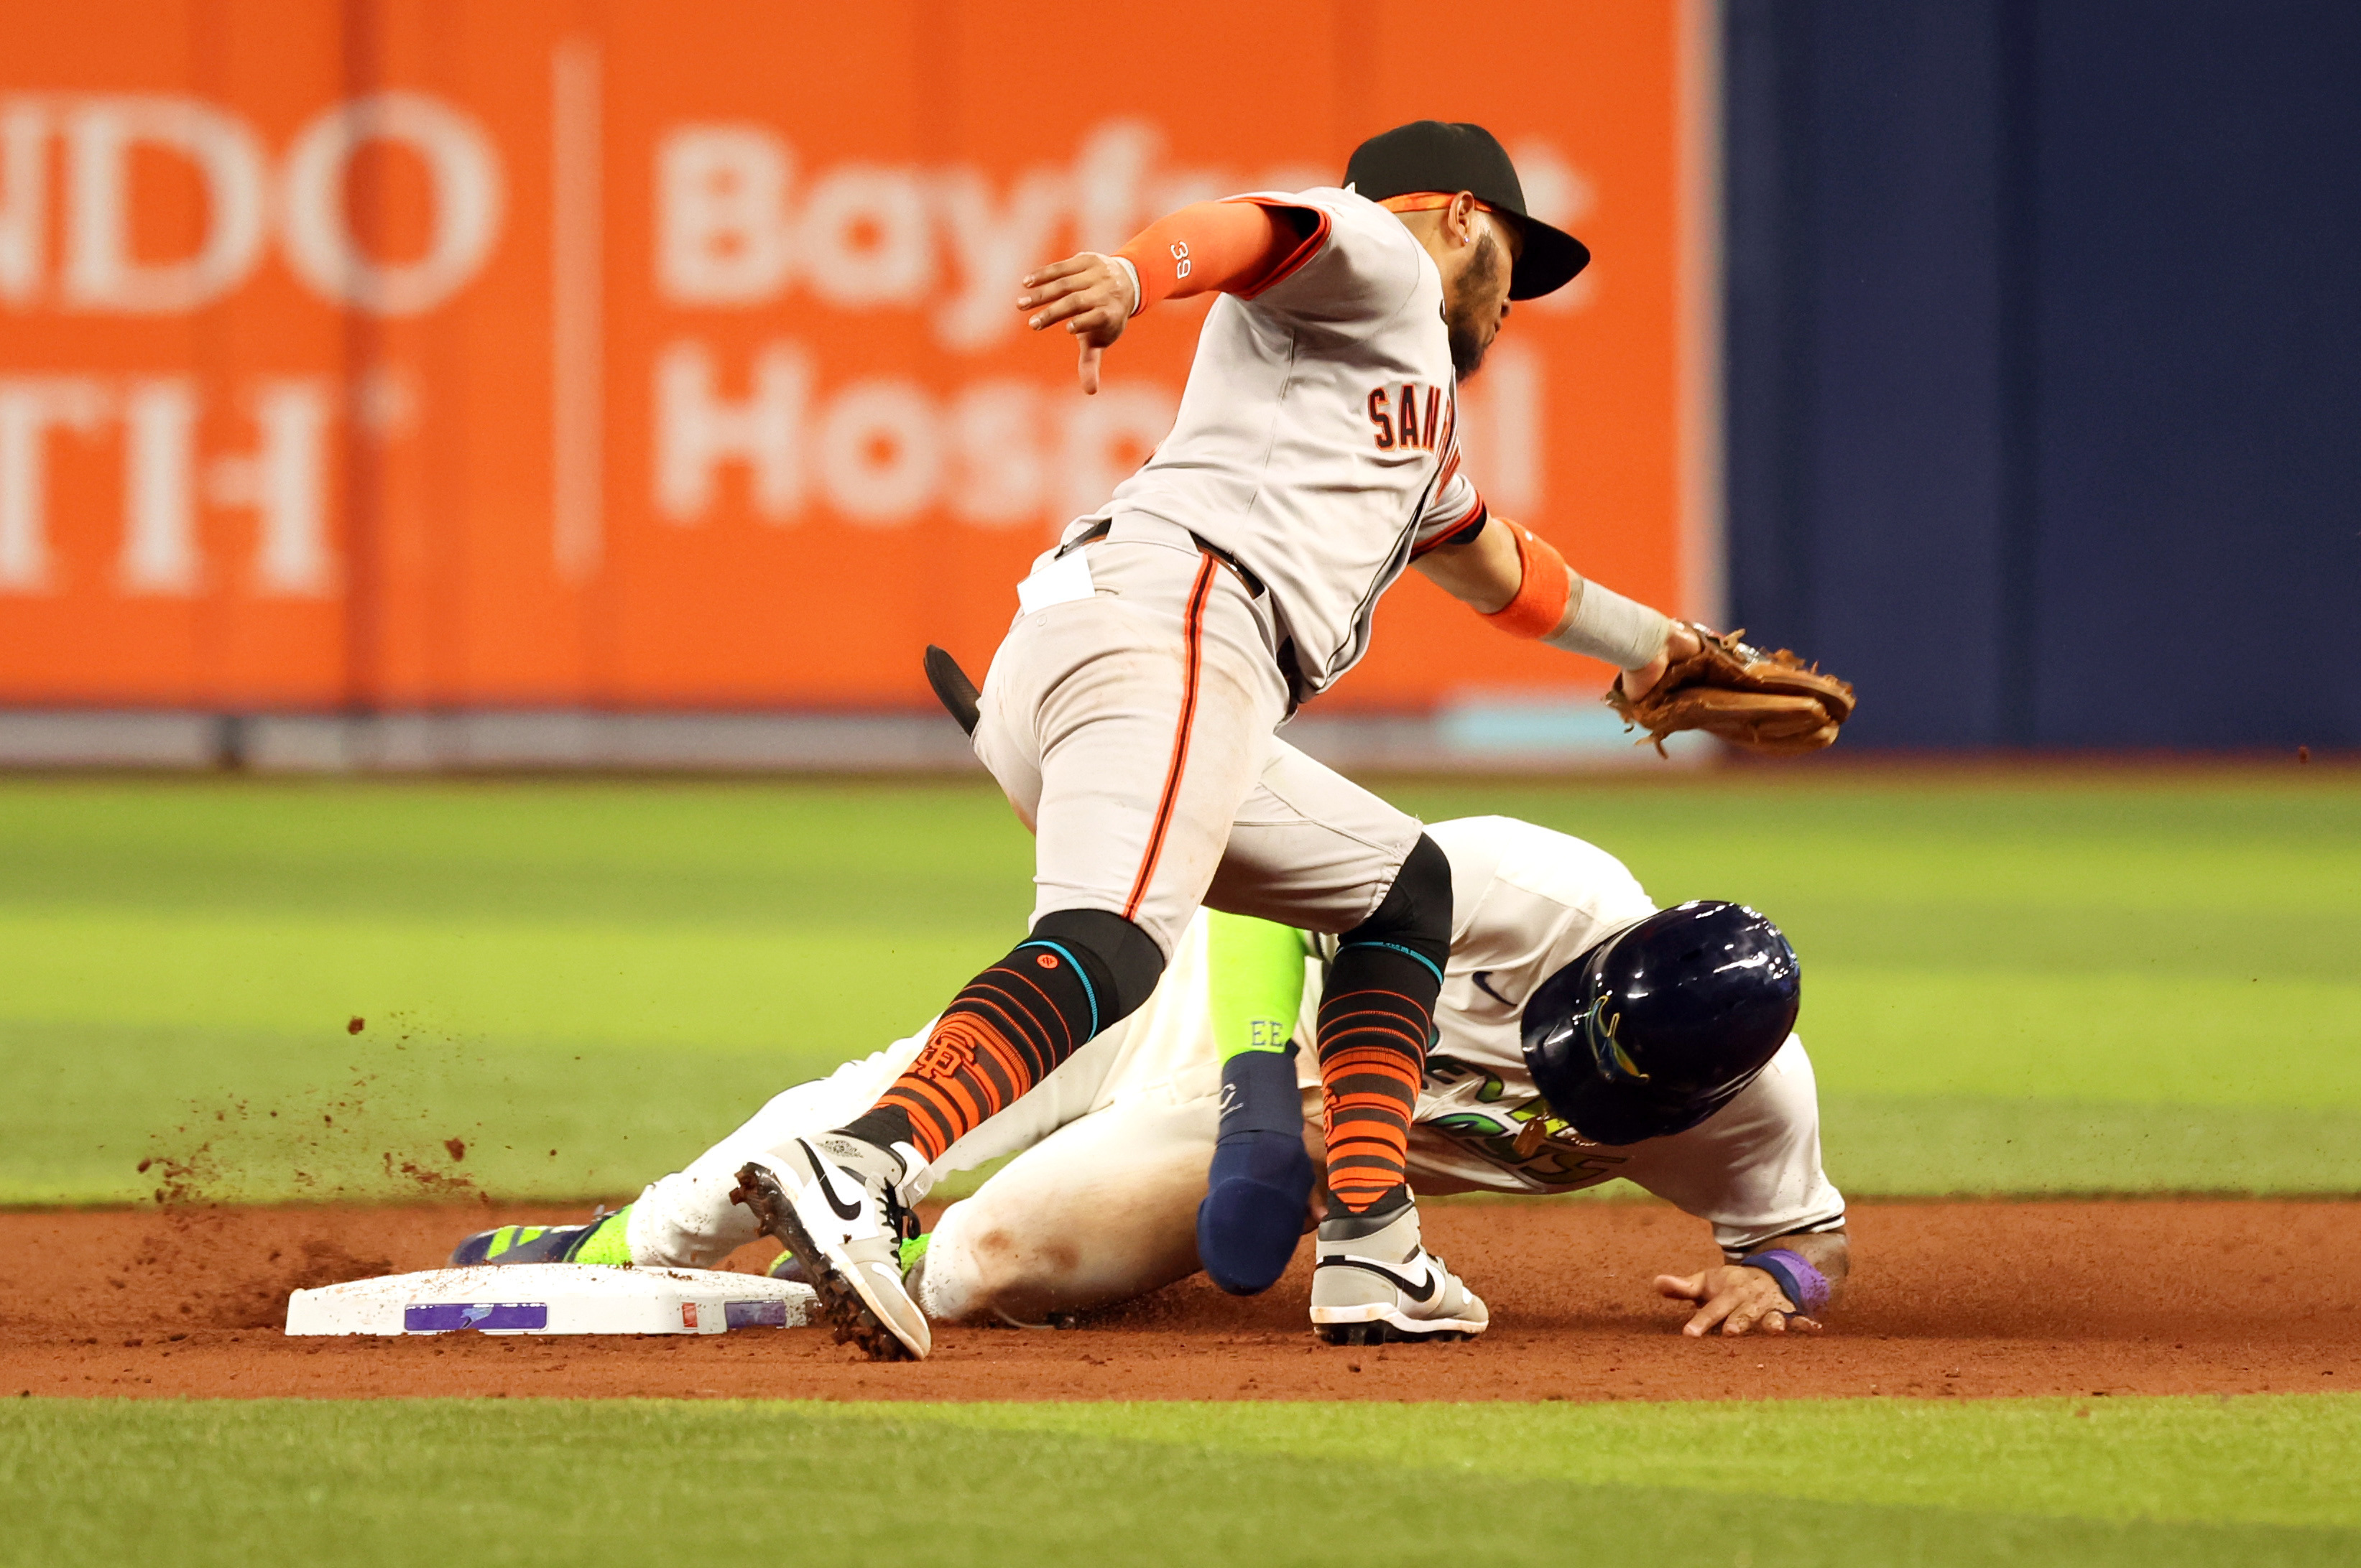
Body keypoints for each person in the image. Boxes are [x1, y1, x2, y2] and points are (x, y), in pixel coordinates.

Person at [739, 119, 1709, 1360]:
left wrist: (1654, 645)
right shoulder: (1385, 257)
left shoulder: (1403, 409)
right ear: (1466, 216)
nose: (1519, 298)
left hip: (1128, 657)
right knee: (1111, 950)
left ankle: (1370, 1243)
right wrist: (1137, 275)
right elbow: (1263, 228)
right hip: (1182, 626)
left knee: (1402, 891)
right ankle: (862, 1162)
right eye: (1521, 260)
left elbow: (1497, 570)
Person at [454, 817, 1849, 1342]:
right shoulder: (1536, 890)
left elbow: (1804, 1238)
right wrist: (1255, 1087)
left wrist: (1771, 1283)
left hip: (1247, 1142)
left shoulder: (1753, 1114)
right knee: (867, 1121)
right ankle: (614, 1251)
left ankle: (753, 1306)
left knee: (979, 1263)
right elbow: (1261, 891)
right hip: (1203, 1017)